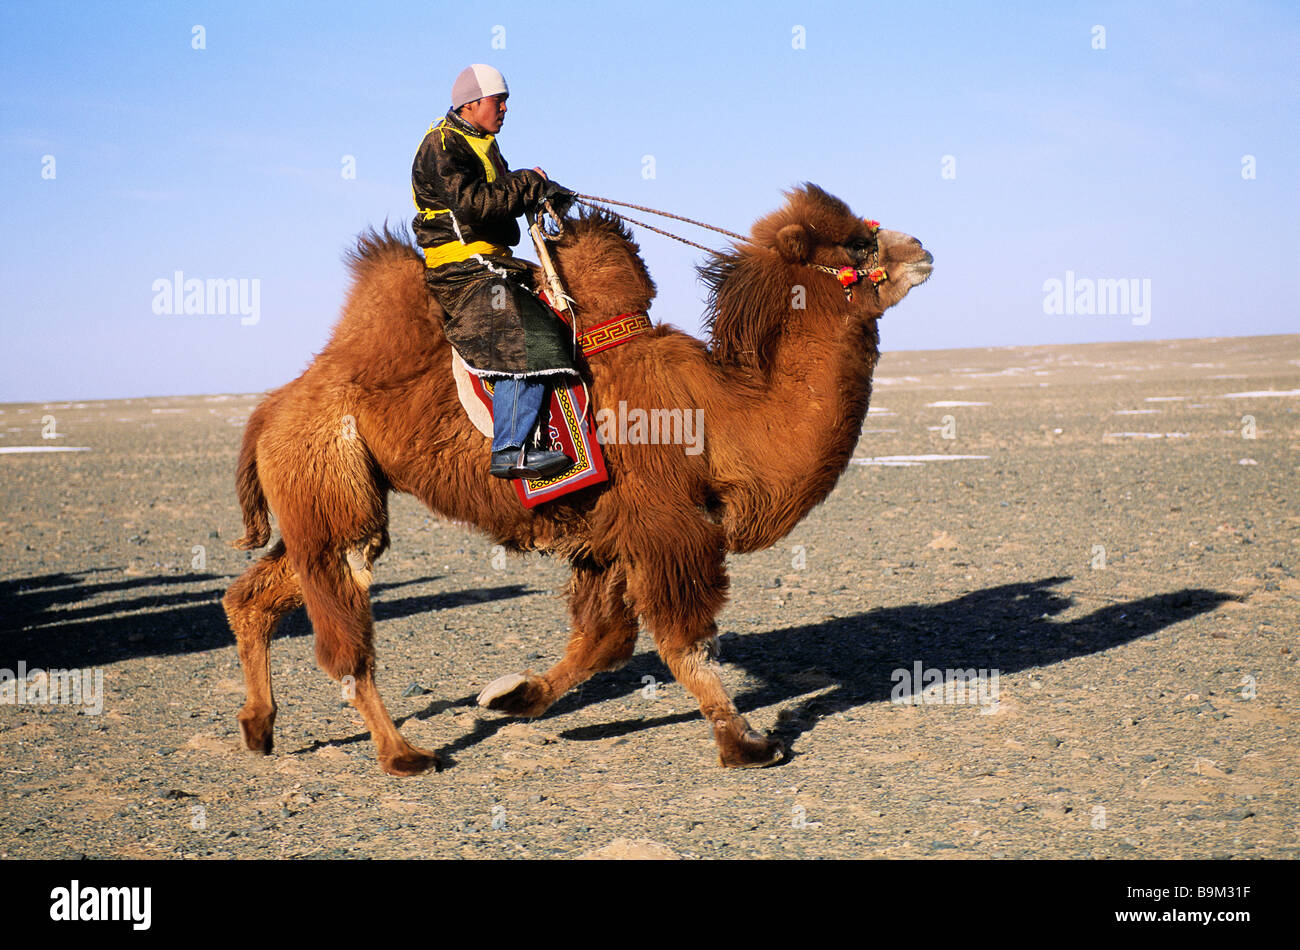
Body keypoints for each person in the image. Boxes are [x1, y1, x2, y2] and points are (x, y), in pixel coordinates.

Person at [412, 64, 577, 480]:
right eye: (497, 101)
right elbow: (473, 205)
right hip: (462, 267)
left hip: (492, 258)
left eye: (505, 101)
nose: (505, 108)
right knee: (524, 331)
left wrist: (541, 192)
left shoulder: (482, 144)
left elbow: (502, 211)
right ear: (471, 104)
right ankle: (511, 449)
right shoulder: (442, 144)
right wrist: (524, 184)